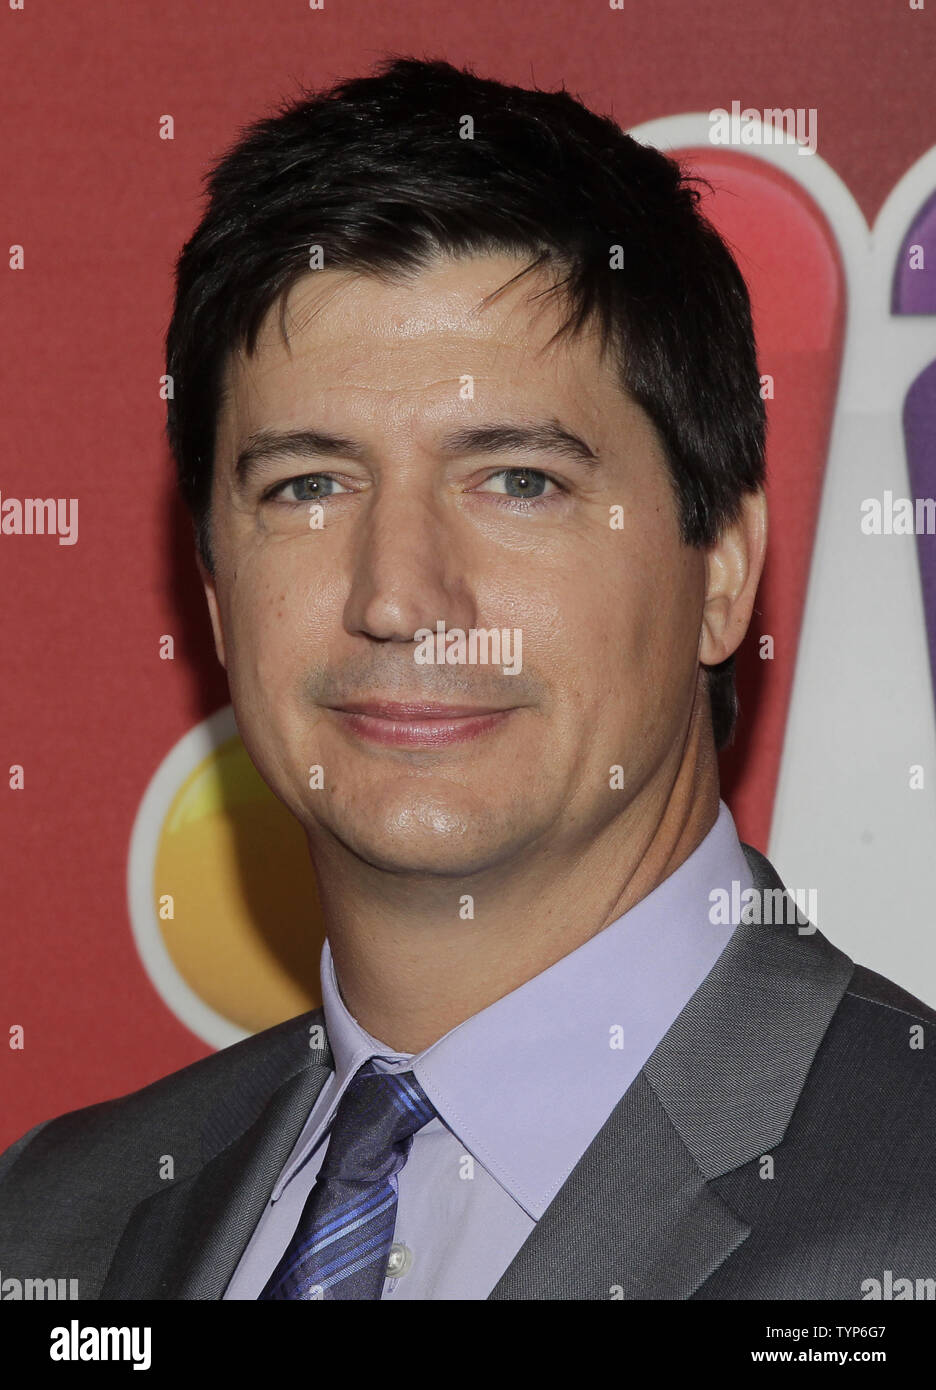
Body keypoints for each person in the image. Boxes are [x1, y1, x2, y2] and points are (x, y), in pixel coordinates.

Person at [1, 55, 933, 1302]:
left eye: (518, 480)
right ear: (216, 596)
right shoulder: (50, 1224)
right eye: (309, 485)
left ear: (722, 572)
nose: (398, 594)